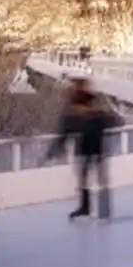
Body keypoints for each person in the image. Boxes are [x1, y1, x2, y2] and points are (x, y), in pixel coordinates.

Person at [50, 78, 120, 220]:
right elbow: (66, 129)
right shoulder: (85, 107)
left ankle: (93, 208)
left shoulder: (82, 108)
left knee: (90, 179)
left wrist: (57, 148)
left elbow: (66, 131)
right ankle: (95, 209)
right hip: (92, 148)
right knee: (89, 179)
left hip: (89, 148)